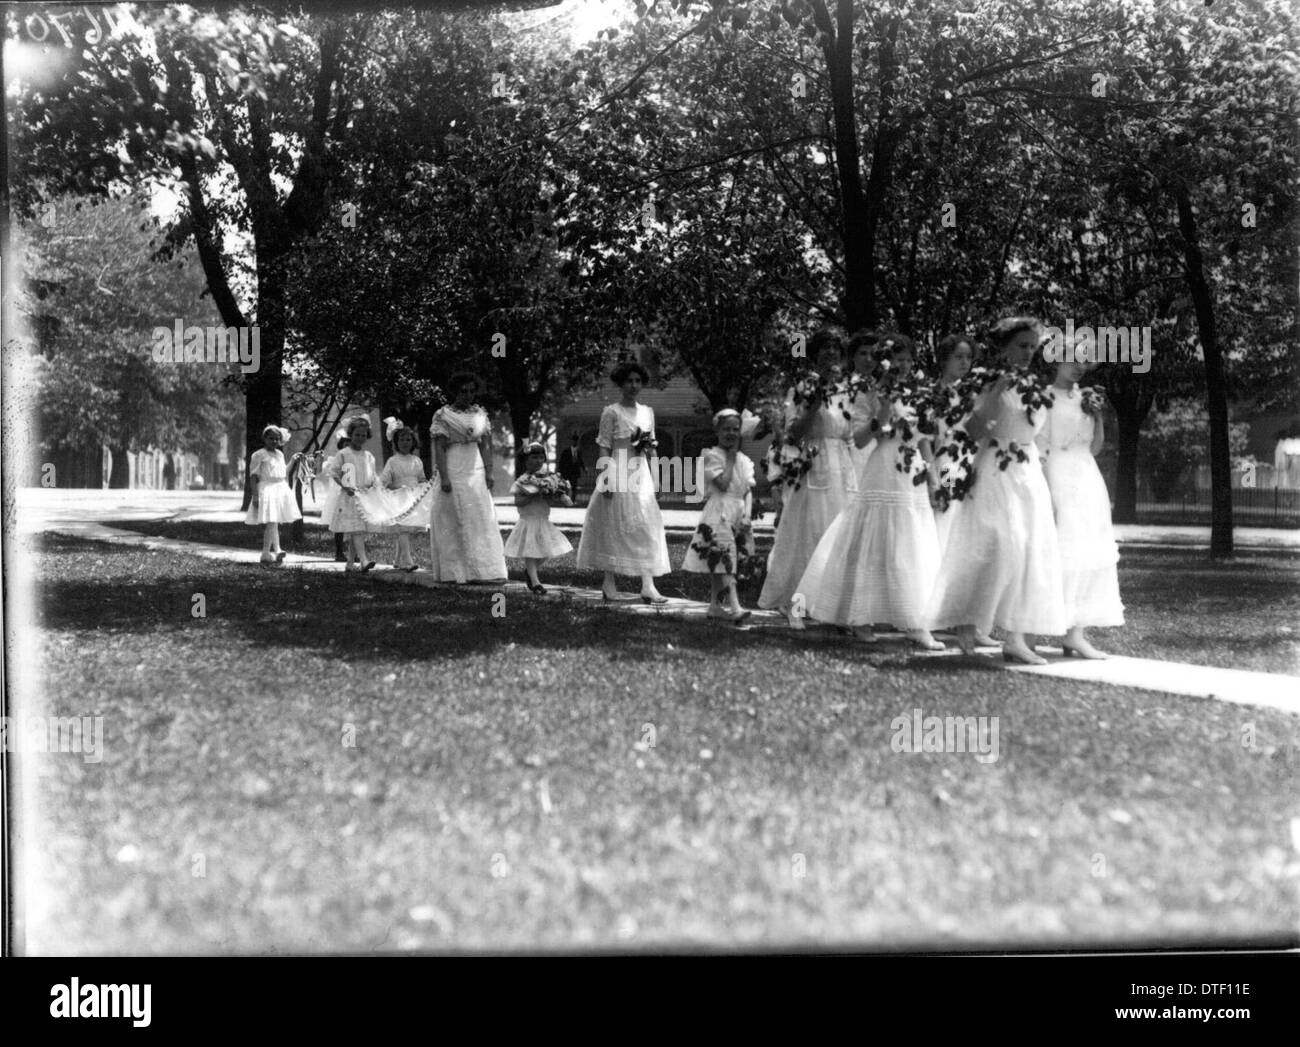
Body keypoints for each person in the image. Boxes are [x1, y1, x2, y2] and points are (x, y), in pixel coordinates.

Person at [926, 317, 1067, 665]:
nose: (1028, 353)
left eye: (1033, 347)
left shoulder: (1034, 384)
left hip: (1028, 469)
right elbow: (972, 430)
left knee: (1031, 550)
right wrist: (992, 396)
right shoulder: (987, 381)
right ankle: (965, 618)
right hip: (995, 467)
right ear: (1003, 347)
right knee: (1001, 545)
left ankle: (1016, 638)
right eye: (1022, 346)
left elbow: (1036, 434)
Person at [796, 335, 945, 649]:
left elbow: (923, 439)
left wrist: (932, 475)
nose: (903, 366)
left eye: (908, 359)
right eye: (897, 360)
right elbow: (861, 439)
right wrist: (885, 410)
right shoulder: (868, 393)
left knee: (913, 540)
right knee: (873, 537)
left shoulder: (918, 393)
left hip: (912, 471)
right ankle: (860, 616)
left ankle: (915, 621)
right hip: (883, 467)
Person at [758, 329, 859, 628]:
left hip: (842, 466)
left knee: (838, 537)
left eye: (835, 349)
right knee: (808, 536)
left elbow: (850, 433)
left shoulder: (847, 391)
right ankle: (797, 605)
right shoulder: (804, 388)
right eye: (824, 349)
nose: (831, 354)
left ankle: (830, 607)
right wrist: (816, 401)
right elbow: (793, 434)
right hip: (813, 465)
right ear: (814, 354)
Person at [1038, 349, 1124, 658]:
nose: (1078, 367)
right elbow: (1041, 446)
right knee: (1062, 550)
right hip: (1058, 473)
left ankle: (1076, 633)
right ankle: (1045, 623)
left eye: (1083, 362)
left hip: (1087, 476)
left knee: (1087, 551)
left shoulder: (1086, 398)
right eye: (1072, 360)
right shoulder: (1044, 397)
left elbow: (1096, 447)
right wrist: (1048, 491)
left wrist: (1097, 415)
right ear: (1056, 360)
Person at [576, 360, 672, 602]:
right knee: (613, 526)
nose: (633, 385)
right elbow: (604, 448)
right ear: (621, 384)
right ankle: (609, 584)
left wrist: (658, 480)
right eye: (629, 381)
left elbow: (651, 450)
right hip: (618, 472)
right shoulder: (611, 412)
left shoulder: (647, 412)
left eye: (638, 381)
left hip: (641, 475)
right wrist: (606, 478)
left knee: (646, 527)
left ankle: (648, 585)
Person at [429, 373, 508, 583]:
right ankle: (456, 572)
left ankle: (485, 570)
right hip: (454, 465)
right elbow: (439, 447)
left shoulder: (480, 413)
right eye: (464, 391)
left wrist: (489, 472)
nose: (468, 395)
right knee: (454, 516)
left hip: (475, 468)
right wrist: (444, 476)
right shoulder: (443, 415)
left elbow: (486, 444)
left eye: (472, 391)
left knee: (480, 515)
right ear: (455, 391)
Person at [682, 409, 755, 623]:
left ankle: (714, 606)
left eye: (735, 429)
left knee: (722, 561)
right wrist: (730, 458)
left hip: (738, 513)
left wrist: (747, 516)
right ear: (717, 430)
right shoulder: (711, 455)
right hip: (719, 512)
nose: (731, 433)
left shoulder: (743, 459)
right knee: (724, 557)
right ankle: (735, 607)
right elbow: (722, 484)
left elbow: (748, 490)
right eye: (726, 429)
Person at [505, 442, 574, 594]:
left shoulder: (548, 479)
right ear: (525, 460)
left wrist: (558, 495)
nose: (538, 461)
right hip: (529, 520)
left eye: (541, 458)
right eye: (534, 457)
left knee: (546, 551)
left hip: (543, 520)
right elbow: (518, 502)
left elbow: (550, 499)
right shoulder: (523, 480)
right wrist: (533, 494)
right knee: (531, 551)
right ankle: (535, 582)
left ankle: (530, 572)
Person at [323, 415, 380, 572]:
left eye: (363, 435)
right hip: (349, 497)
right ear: (350, 435)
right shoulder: (343, 454)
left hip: (364, 497)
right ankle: (363, 561)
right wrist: (345, 486)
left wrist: (374, 487)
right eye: (356, 435)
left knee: (358, 529)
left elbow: (372, 476)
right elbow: (334, 472)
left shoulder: (369, 456)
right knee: (356, 529)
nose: (360, 438)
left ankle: (350, 563)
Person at [244, 425, 301, 565]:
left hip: (279, 488)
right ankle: (269, 551)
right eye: (271, 438)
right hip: (267, 488)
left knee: (274, 520)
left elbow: (283, 472)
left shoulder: (280, 454)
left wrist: (293, 460)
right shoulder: (259, 455)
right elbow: (253, 476)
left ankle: (272, 551)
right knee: (271, 520)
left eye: (277, 439)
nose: (274, 441)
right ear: (265, 438)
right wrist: (255, 495)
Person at [379, 419, 429, 572]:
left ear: (413, 442)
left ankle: (397, 559)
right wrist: (393, 488)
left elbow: (421, 479)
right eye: (401, 439)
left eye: (408, 439)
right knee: (403, 529)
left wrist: (424, 487)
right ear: (395, 442)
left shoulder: (417, 461)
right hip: (399, 498)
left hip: (413, 499)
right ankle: (407, 561)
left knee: (405, 530)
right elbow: (384, 480)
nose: (405, 443)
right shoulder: (393, 461)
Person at [319, 429, 351, 562]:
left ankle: (353, 552)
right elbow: (325, 472)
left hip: (352, 494)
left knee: (352, 523)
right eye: (345, 445)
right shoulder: (335, 461)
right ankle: (339, 551)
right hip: (338, 494)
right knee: (339, 524)